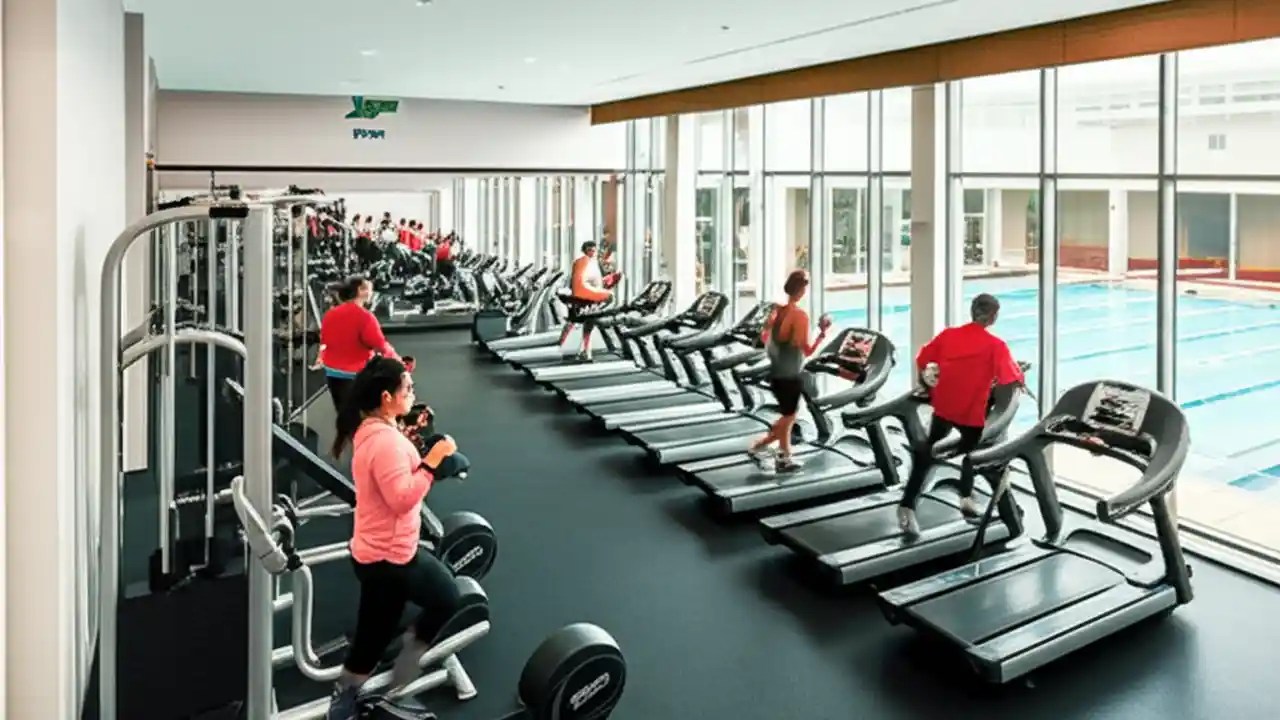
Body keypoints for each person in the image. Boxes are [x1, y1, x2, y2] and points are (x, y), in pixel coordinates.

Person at [325, 356, 463, 720]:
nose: (413, 392)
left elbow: (396, 473)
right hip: (390, 561)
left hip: (377, 552)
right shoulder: (384, 442)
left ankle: (359, 688)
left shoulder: (372, 430)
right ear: (387, 397)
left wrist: (417, 445)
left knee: (376, 629)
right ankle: (379, 688)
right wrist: (432, 463)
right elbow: (402, 499)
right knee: (446, 597)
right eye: (408, 389)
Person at [897, 293, 1025, 537]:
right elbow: (1010, 378)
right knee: (973, 453)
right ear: (994, 317)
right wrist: (1021, 376)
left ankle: (907, 505)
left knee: (929, 448)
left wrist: (925, 384)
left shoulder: (949, 335)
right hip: (970, 413)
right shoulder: (996, 346)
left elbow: (922, 358)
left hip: (944, 406)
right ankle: (966, 497)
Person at [747, 270, 831, 473]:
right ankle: (759, 446)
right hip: (790, 374)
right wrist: (822, 333)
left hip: (775, 373)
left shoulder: (778, 312)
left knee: (788, 415)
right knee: (788, 418)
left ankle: (784, 458)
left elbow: (765, 339)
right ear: (802, 290)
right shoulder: (800, 316)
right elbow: (808, 350)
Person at [318, 275, 405, 411]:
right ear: (361, 290)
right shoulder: (364, 316)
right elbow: (380, 345)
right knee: (360, 416)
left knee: (343, 414)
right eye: (370, 289)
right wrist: (400, 363)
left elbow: (324, 341)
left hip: (332, 373)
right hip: (355, 375)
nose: (371, 293)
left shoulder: (330, 314)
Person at [567, 241, 618, 361]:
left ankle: (585, 351)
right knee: (588, 325)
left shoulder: (594, 263)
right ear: (585, 251)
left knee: (588, 326)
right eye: (590, 250)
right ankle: (585, 351)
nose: (592, 252)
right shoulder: (582, 263)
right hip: (587, 299)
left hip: (594, 298)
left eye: (593, 250)